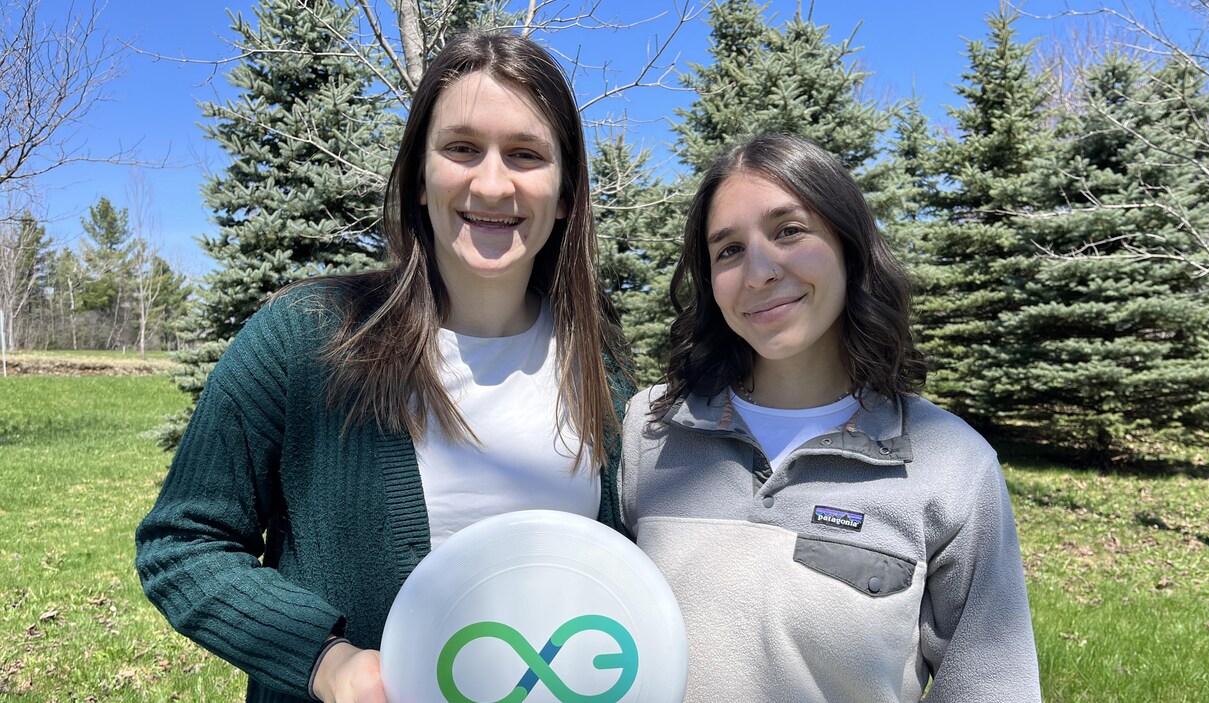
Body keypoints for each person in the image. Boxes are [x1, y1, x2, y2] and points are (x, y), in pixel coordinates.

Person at [136, 31, 632, 703]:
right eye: (461, 148)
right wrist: (327, 661)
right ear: (420, 179)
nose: (492, 183)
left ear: (566, 192)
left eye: (526, 154)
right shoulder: (307, 338)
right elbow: (182, 542)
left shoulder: (598, 365)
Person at [619, 133, 1041, 702]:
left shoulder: (953, 466)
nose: (758, 272)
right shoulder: (649, 431)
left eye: (789, 231)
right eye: (729, 250)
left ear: (848, 244)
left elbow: (991, 687)